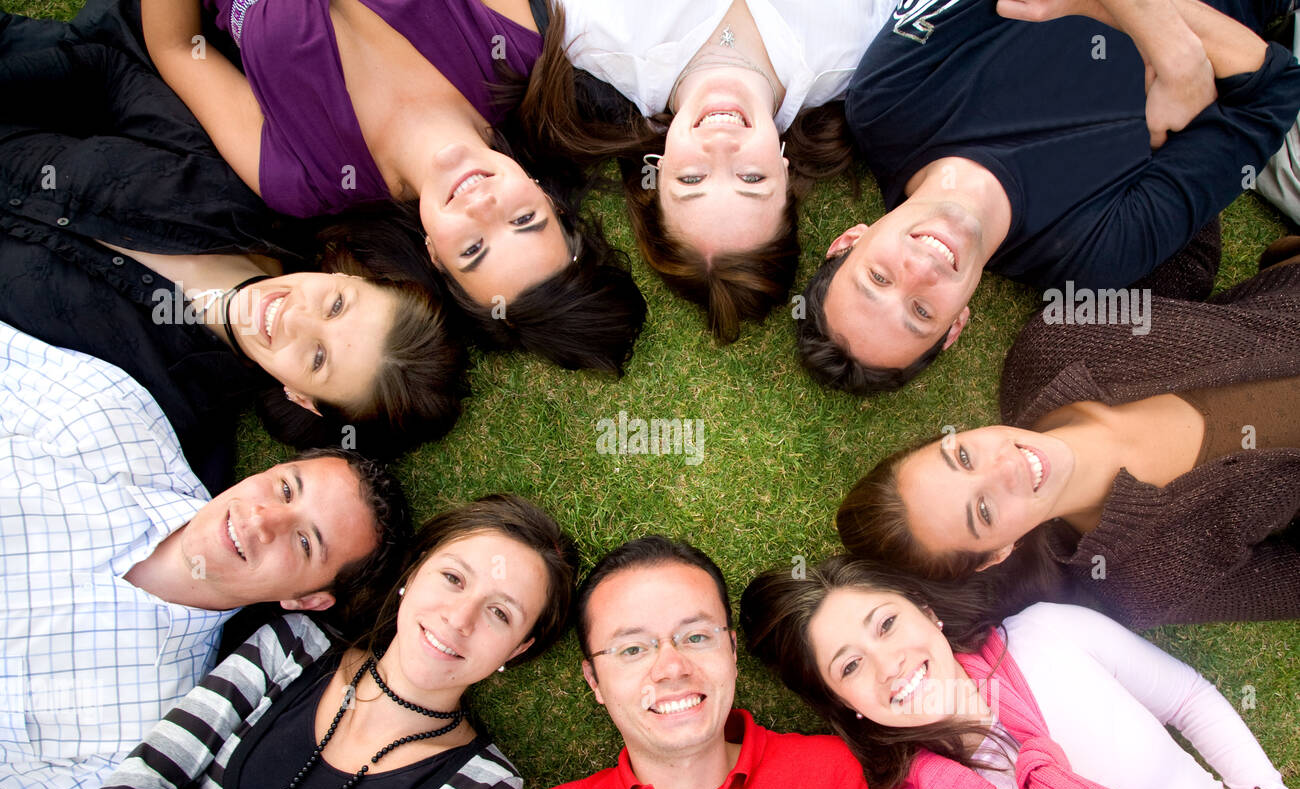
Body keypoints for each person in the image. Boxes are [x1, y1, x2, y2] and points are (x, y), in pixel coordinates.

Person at [0, 11, 468, 489]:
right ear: (346, 277)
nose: (294, 317)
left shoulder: (163, 406)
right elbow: (108, 78)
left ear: (301, 398)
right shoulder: (241, 188)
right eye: (335, 306)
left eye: (318, 359)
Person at [0, 320, 410, 789]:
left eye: (304, 542)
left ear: (307, 600)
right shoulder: (112, 420)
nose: (263, 520)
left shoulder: (144, 729)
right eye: (285, 488)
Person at [66, 495, 579, 789]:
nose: (459, 618)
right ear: (413, 572)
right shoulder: (289, 650)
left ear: (516, 649)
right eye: (452, 578)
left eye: (499, 613)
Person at [799, 0, 1300, 393]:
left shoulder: (888, 103)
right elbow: (1274, 90)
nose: (922, 274)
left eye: (878, 277)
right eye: (922, 312)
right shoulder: (1099, 253)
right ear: (956, 327)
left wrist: (1167, 43)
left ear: (848, 241)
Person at [138, 0, 646, 374]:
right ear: (544, 193)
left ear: (434, 257)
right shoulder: (513, 44)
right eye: (522, 220)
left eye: (473, 249)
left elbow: (177, 48)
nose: (483, 207)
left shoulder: (305, 179)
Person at [740, 557, 1300, 789]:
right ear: (845, 704)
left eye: (886, 624)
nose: (890, 665)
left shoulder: (1047, 634)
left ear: (928, 613)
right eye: (852, 665)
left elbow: (1188, 700)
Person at [835, 253, 1300, 630]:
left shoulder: (1056, 346)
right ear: (997, 554)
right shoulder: (1148, 581)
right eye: (983, 510)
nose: (1005, 469)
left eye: (962, 456)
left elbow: (1184, 261)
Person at [491, 535, 893, 789]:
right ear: (594, 680)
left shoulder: (833, 774)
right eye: (632, 648)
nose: (671, 668)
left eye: (697, 637)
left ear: (733, 651)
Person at [516, 0, 891, 342]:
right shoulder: (862, 55)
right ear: (783, 169)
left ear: (658, 172)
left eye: (691, 179)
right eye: (752, 178)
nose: (721, 145)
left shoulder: (591, 38)